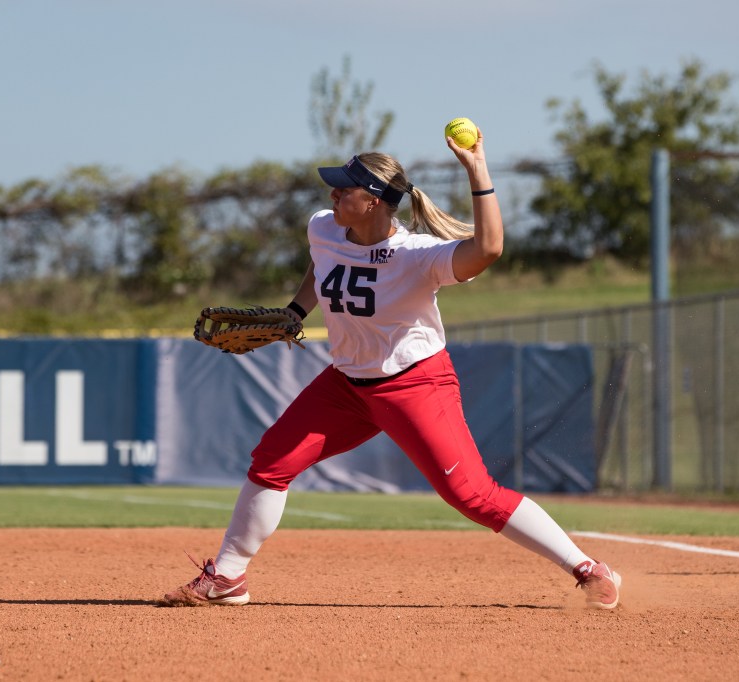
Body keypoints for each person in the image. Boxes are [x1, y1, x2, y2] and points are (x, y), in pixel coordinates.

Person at [162, 127, 621, 609]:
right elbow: (321, 267)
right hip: (345, 384)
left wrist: (478, 171)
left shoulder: (416, 256)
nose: (333, 193)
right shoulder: (323, 226)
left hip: (414, 384)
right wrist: (296, 312)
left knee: (472, 495)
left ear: (377, 200)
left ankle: (588, 569)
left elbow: (487, 251)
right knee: (272, 460)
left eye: (346, 187)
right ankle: (229, 577)